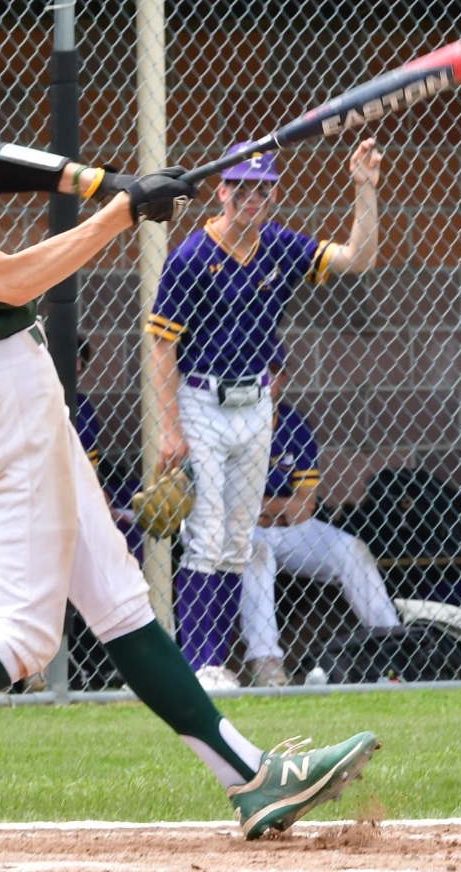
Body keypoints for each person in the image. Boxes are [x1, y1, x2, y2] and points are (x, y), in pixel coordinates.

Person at [0, 46, 376, 852]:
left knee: (120, 603)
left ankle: (250, 776)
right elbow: (17, 278)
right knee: (22, 634)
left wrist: (102, 182)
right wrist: (121, 215)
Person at [146, 141, 382, 690]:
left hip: (257, 403)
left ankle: (214, 663)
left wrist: (364, 189)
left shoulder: (277, 244)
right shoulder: (191, 256)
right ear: (222, 191)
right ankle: (201, 663)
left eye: (263, 189)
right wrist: (170, 427)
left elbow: (358, 258)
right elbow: (162, 346)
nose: (253, 198)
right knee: (206, 536)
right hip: (202, 398)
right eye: (242, 189)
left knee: (238, 539)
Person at [238, 358, 400, 687]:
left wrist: (263, 507)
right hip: (242, 530)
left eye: (273, 374)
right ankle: (266, 662)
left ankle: (394, 648)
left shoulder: (294, 425)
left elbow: (304, 507)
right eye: (259, 373)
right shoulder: (231, 421)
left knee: (352, 550)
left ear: (283, 378)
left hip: (290, 530)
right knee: (258, 556)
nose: (266, 381)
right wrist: (276, 507)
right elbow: (232, 506)